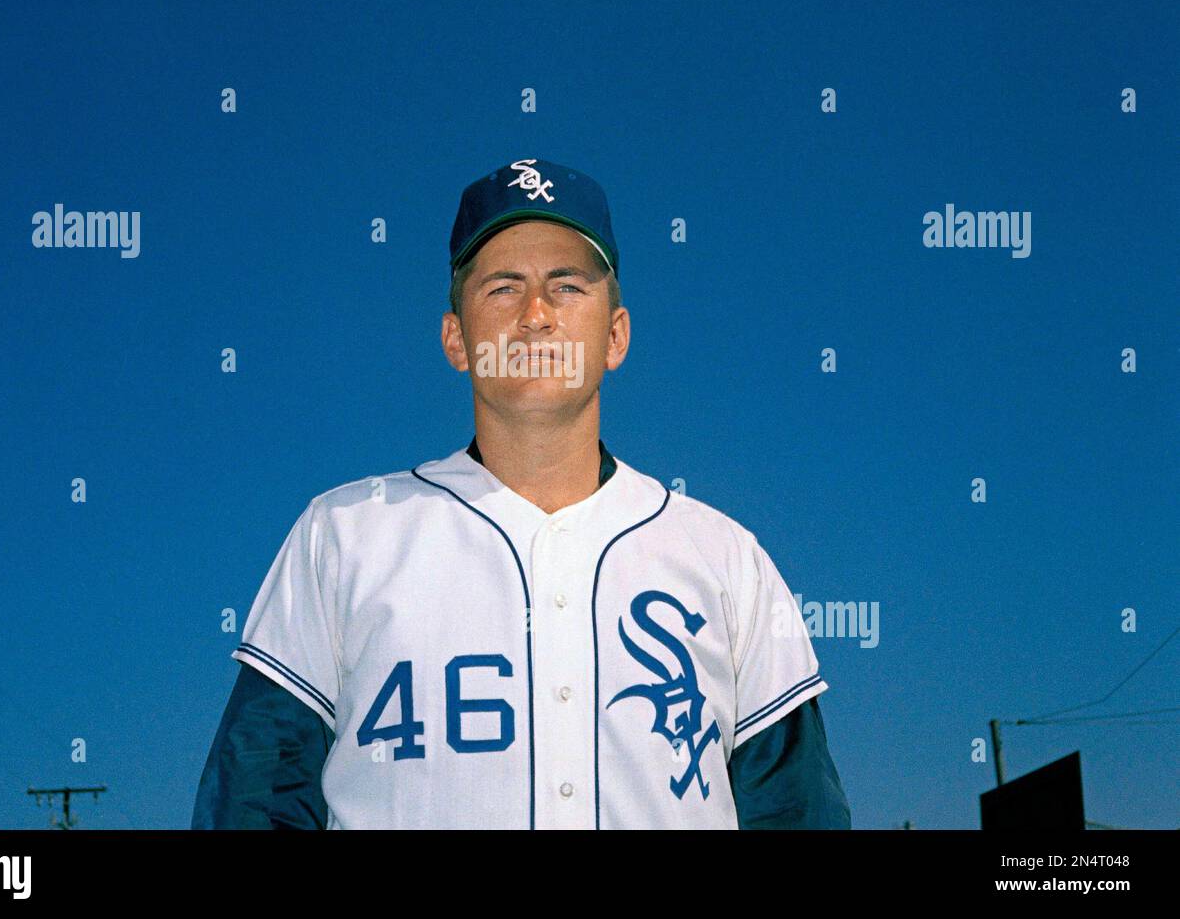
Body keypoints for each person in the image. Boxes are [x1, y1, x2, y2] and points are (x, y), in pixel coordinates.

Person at [192, 157, 851, 829]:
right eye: (503, 287)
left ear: (616, 334)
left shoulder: (724, 560)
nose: (536, 316)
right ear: (456, 337)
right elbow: (255, 799)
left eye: (567, 287)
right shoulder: (345, 535)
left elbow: (796, 810)